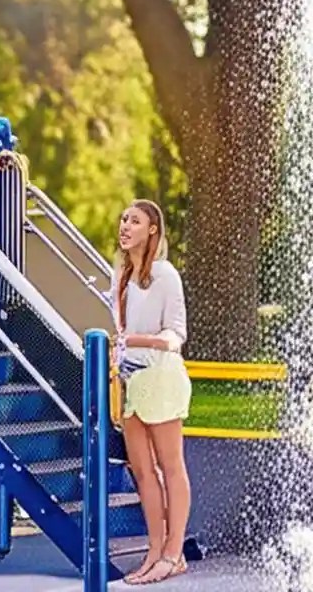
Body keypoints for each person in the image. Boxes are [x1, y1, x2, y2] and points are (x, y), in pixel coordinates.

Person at [108, 199, 192, 585]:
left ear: (152, 230)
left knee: (170, 467)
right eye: (124, 219)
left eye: (135, 221)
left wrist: (140, 340)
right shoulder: (120, 275)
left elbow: (177, 334)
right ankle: (154, 552)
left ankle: (174, 554)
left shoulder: (166, 274)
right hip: (132, 382)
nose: (125, 226)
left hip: (161, 376)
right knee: (143, 472)